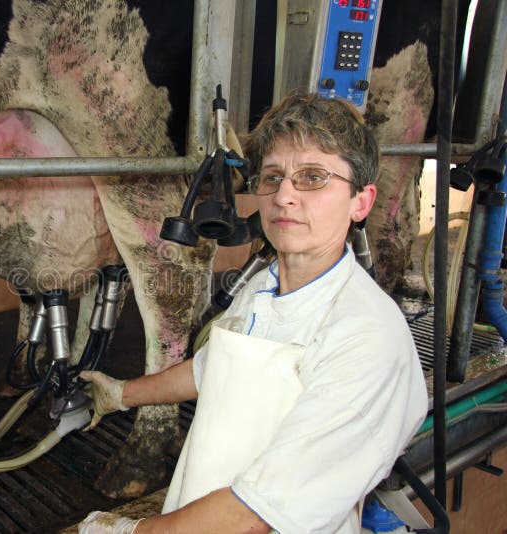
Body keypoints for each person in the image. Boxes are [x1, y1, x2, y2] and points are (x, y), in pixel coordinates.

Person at [76, 90, 428, 534]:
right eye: (272, 177)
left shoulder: (367, 338)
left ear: (362, 201)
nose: (284, 197)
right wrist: (121, 393)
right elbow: (211, 370)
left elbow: (256, 515)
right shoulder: (261, 287)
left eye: (313, 177)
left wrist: (128, 532)